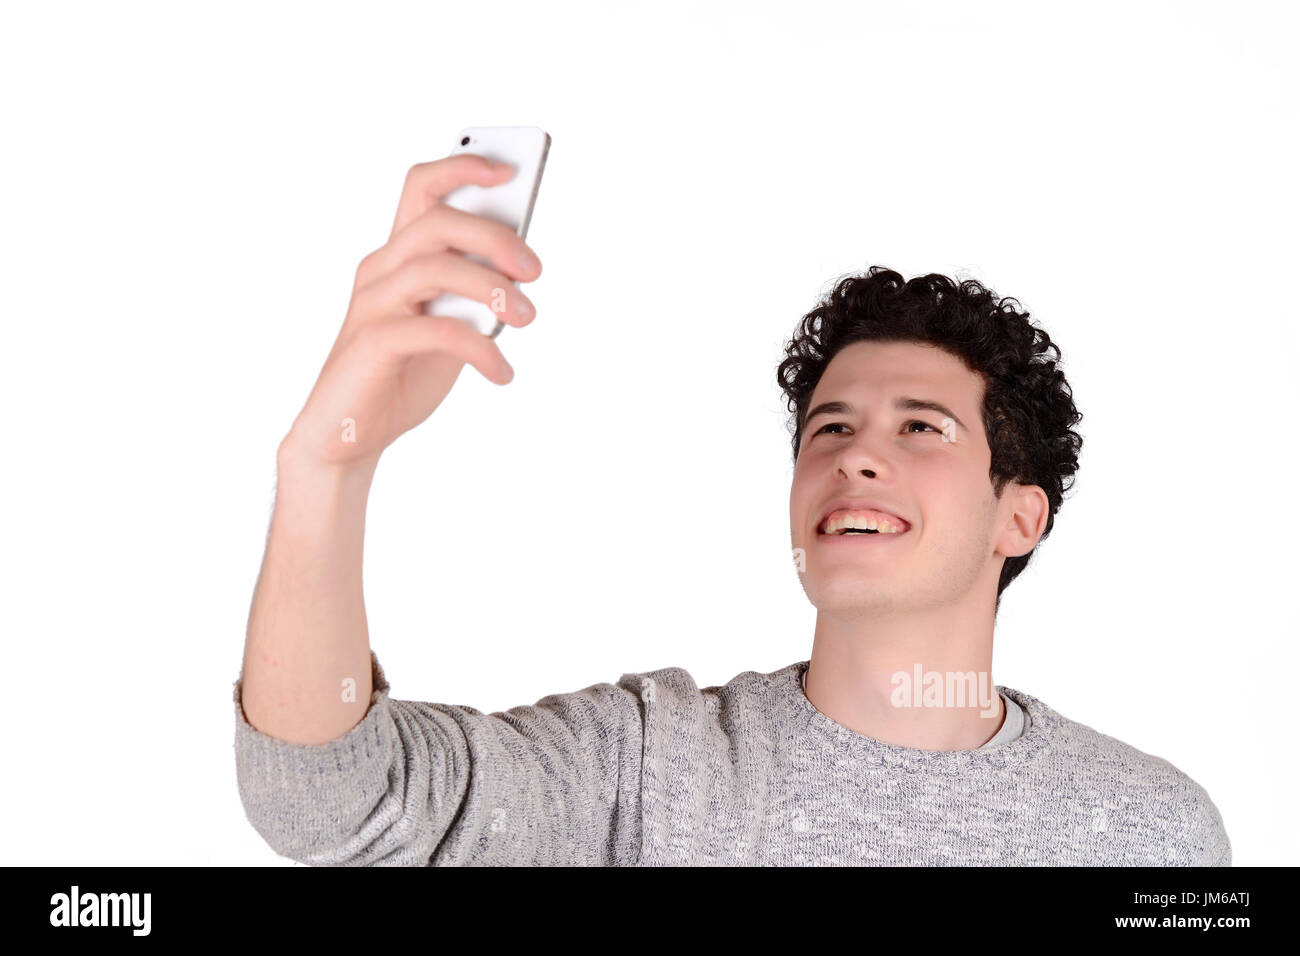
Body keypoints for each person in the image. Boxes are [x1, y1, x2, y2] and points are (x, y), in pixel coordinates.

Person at [233, 154, 1231, 866]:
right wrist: (328, 465)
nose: (858, 456)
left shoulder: (1147, 831)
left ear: (1019, 517)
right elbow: (330, 801)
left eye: (920, 428)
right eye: (828, 429)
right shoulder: (648, 771)